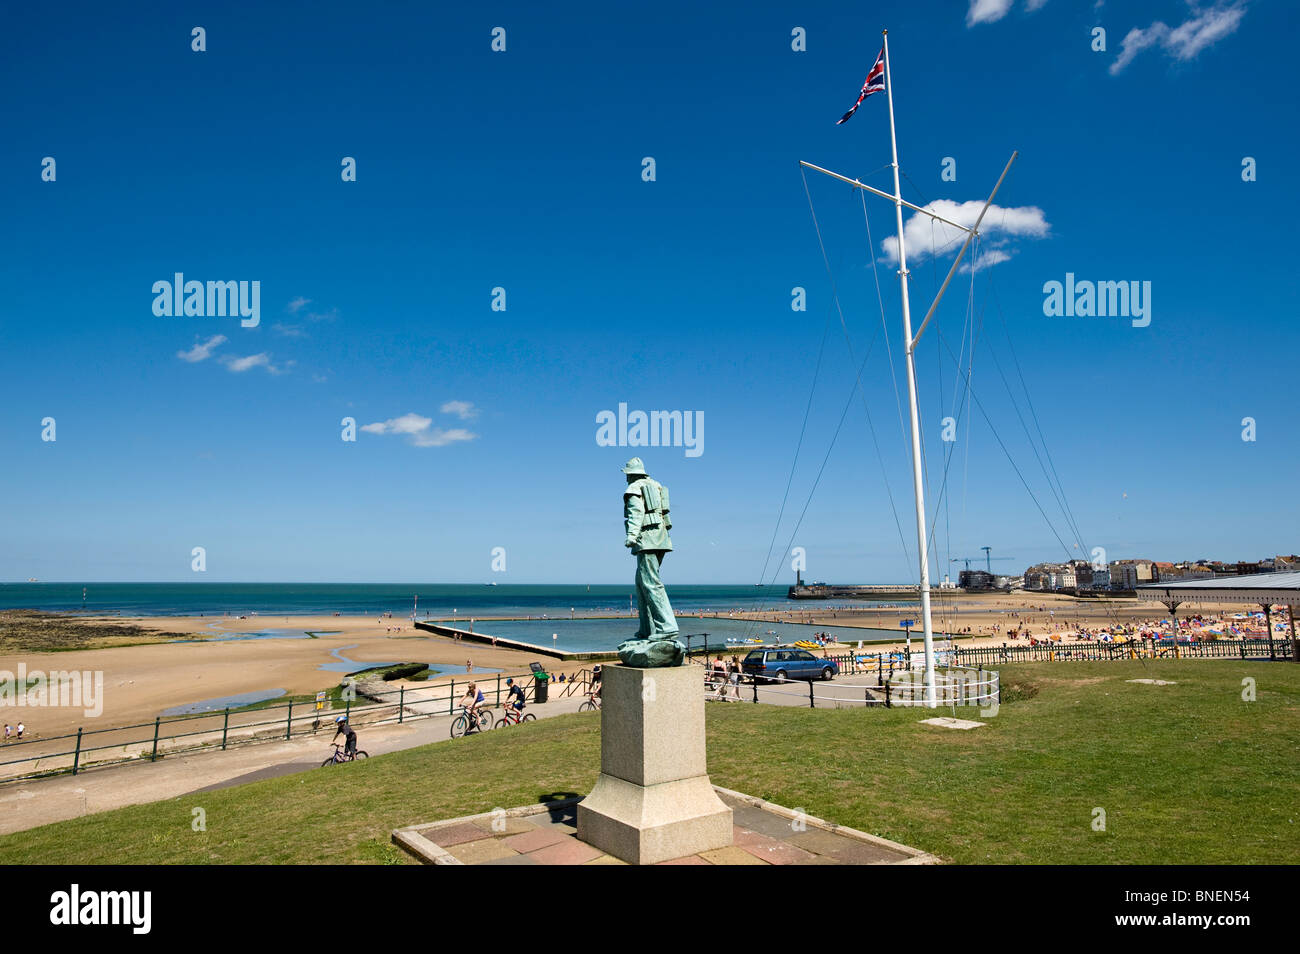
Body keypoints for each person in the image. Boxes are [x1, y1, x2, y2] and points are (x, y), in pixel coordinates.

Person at [621, 457, 679, 642]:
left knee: (651, 583)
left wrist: (631, 536)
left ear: (631, 475)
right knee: (642, 583)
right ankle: (647, 629)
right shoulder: (656, 485)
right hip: (661, 539)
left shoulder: (634, 488)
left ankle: (667, 627)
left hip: (647, 540)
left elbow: (635, 513)